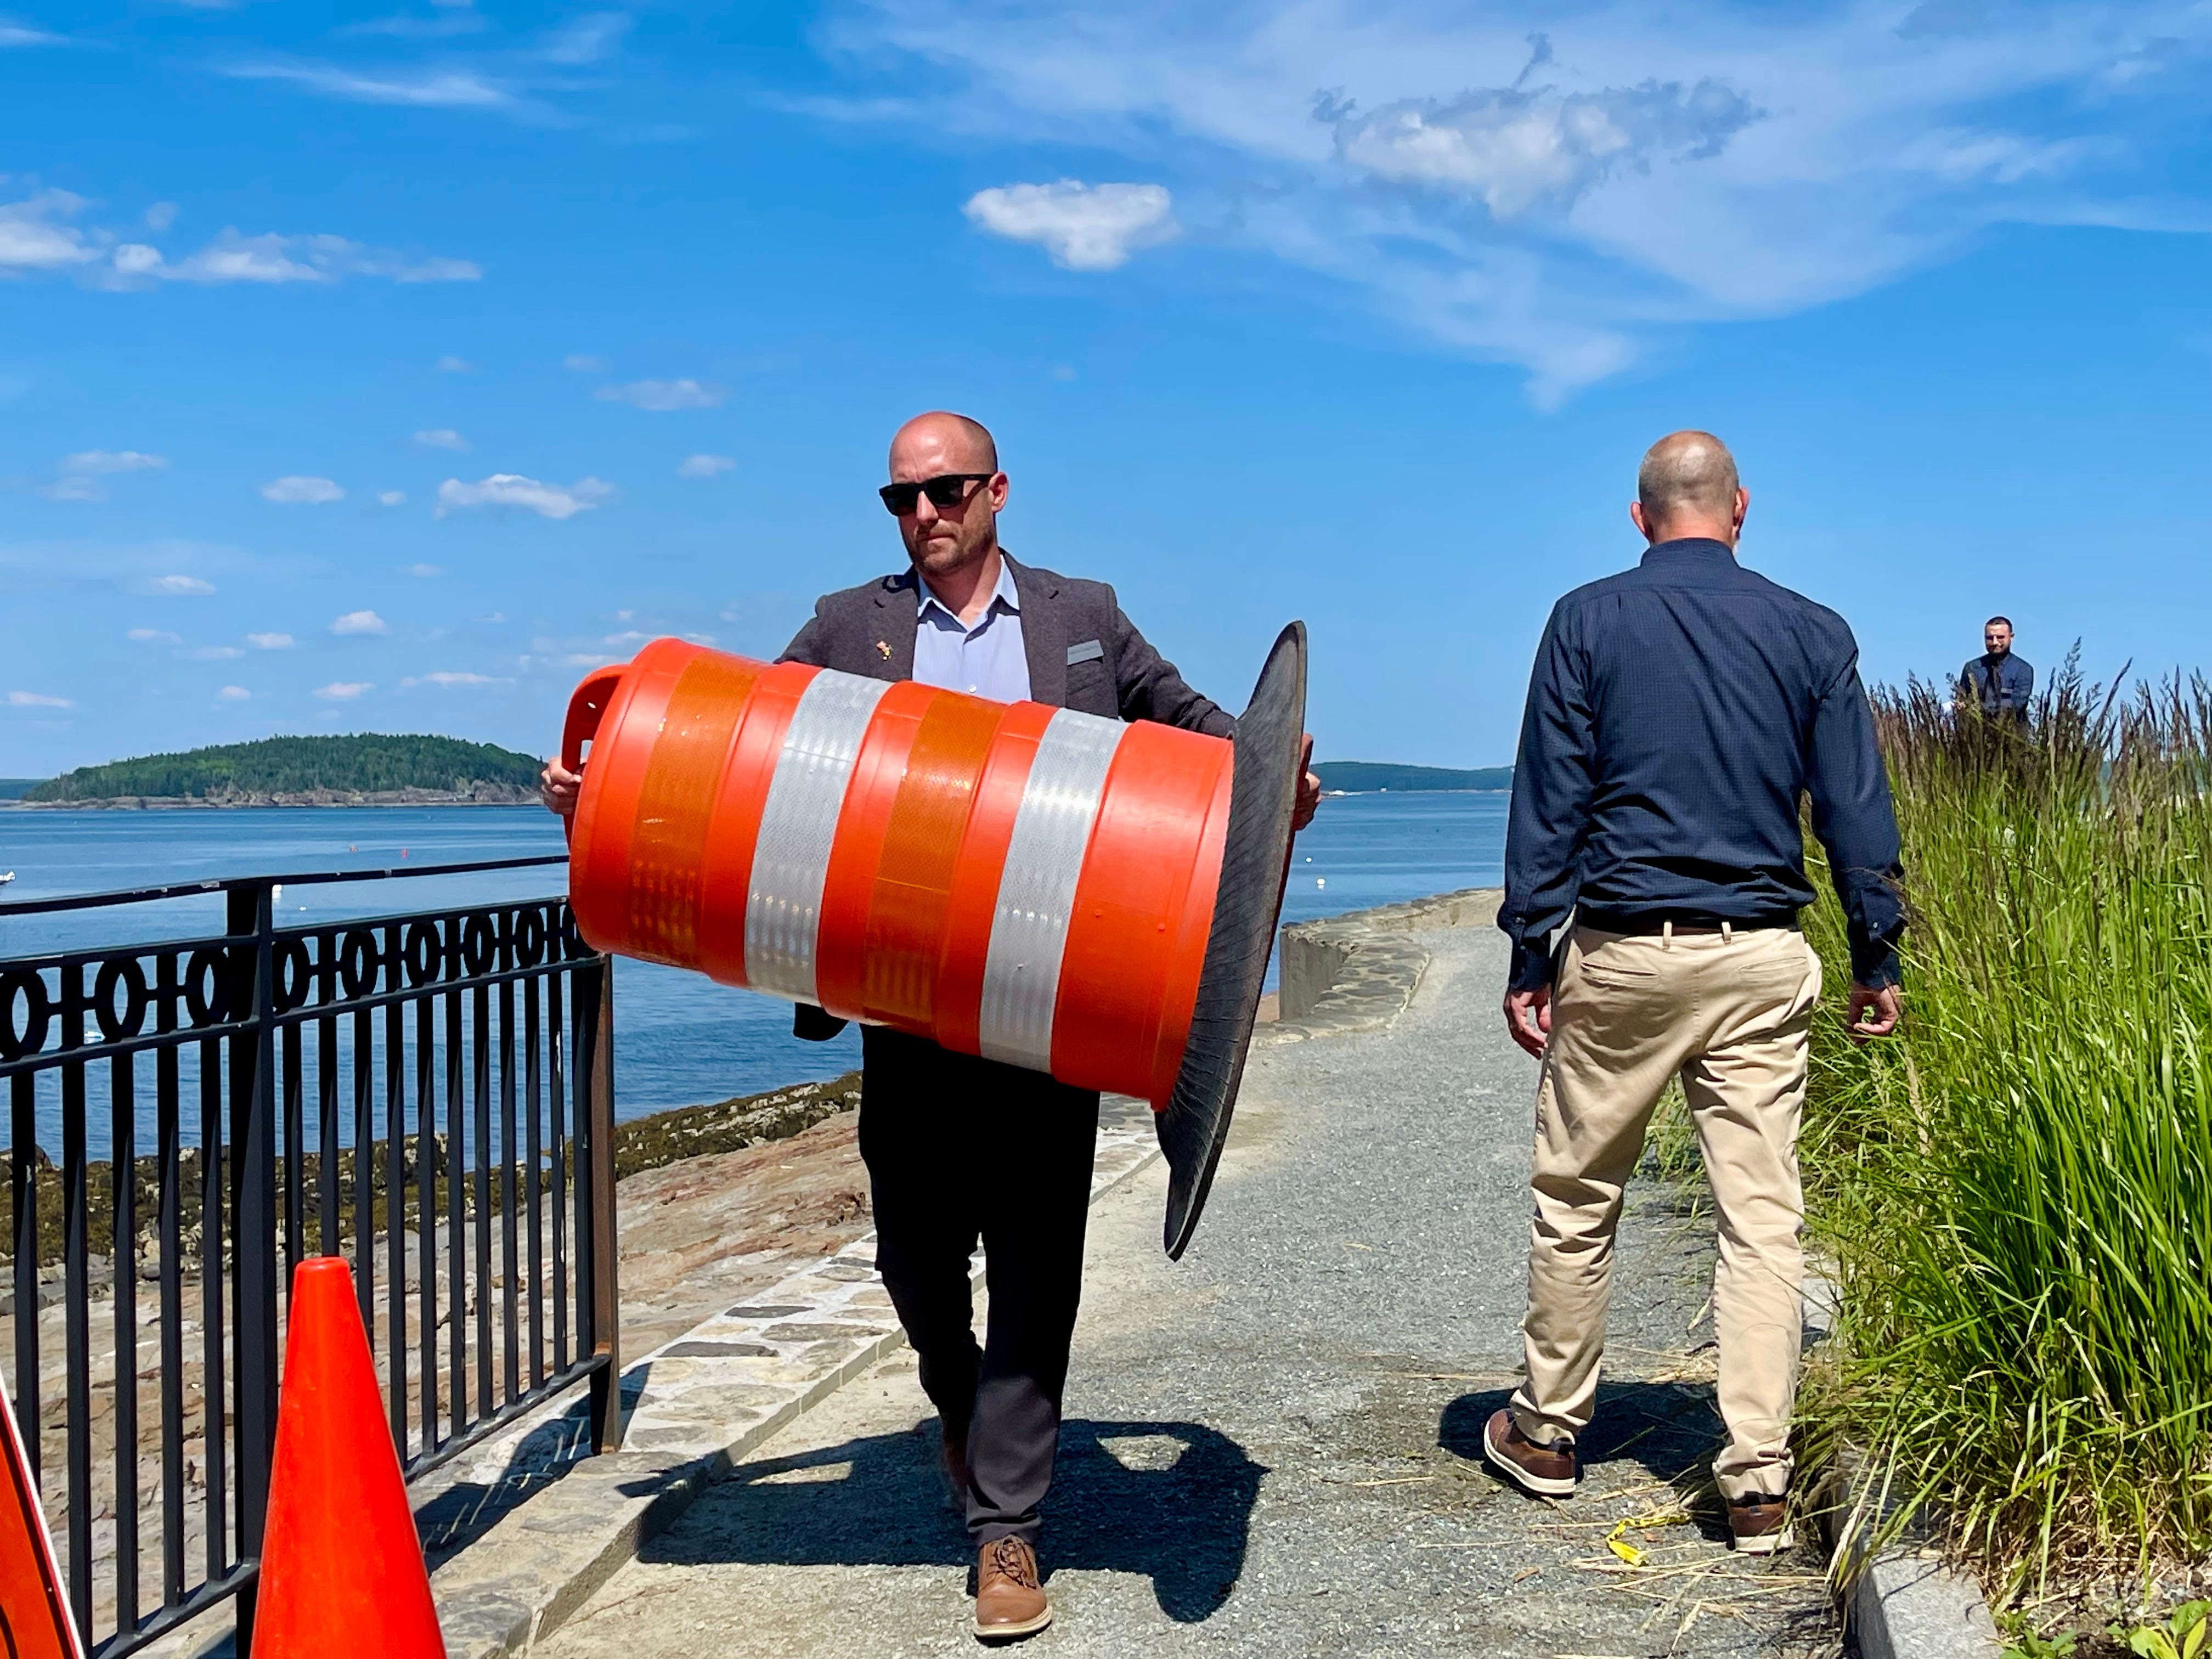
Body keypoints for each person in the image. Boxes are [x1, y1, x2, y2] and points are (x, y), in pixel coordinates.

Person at [542, 410, 1319, 1641]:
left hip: (1053, 999)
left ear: (998, 489)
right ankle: (958, 1409)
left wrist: (1278, 781)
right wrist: (600, 800)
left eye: (947, 490)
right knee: (914, 1256)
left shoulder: (1082, 616)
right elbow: (736, 750)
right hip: (901, 1002)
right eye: (902, 498)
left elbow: (1192, 721)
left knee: (1035, 1264)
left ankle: (1006, 1531)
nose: (926, 514)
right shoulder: (852, 627)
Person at [1488, 431, 1904, 1554]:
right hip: (1760, 955)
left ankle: (1549, 1432)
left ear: (1639, 518)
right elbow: (1855, 812)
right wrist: (1879, 954)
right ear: (1741, 509)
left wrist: (1533, 952)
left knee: (1579, 1198)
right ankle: (1757, 1481)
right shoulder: (1813, 632)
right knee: (1761, 1221)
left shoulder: (1585, 621)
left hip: (1624, 952)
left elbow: (1550, 798)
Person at [1959, 616, 2033, 722]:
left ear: (2011, 637)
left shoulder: (2023, 670)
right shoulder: (1972, 668)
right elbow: (1963, 702)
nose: (1995, 643)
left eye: (2000, 637)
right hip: (1976, 733)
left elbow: (2015, 706)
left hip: (2012, 733)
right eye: (1989, 638)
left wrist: (1981, 710)